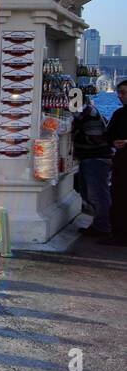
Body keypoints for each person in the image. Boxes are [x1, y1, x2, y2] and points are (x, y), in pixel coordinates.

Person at [73, 86, 114, 236]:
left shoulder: (87, 113)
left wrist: (77, 135)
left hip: (96, 158)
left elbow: (96, 138)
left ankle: (103, 226)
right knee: (90, 193)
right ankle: (99, 224)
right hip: (91, 158)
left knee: (96, 194)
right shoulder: (87, 112)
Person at [104, 80, 127, 246]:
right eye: (119, 92)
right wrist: (114, 142)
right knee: (118, 197)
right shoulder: (119, 114)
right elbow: (108, 135)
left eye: (124, 92)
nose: (120, 96)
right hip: (122, 163)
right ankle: (118, 233)